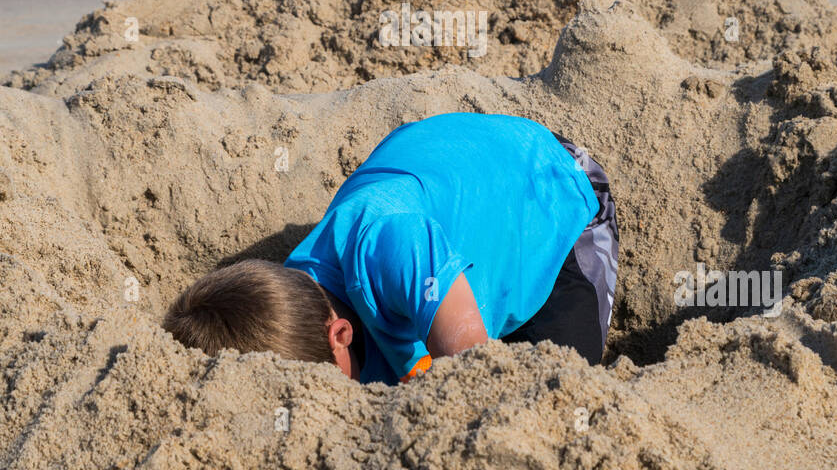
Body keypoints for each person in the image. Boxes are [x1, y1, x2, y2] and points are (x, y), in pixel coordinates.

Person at [164, 113, 618, 384]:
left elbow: (480, 379)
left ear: (340, 335)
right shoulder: (287, 306)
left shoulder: (392, 246)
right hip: (432, 164)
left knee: (556, 385)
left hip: (545, 186)